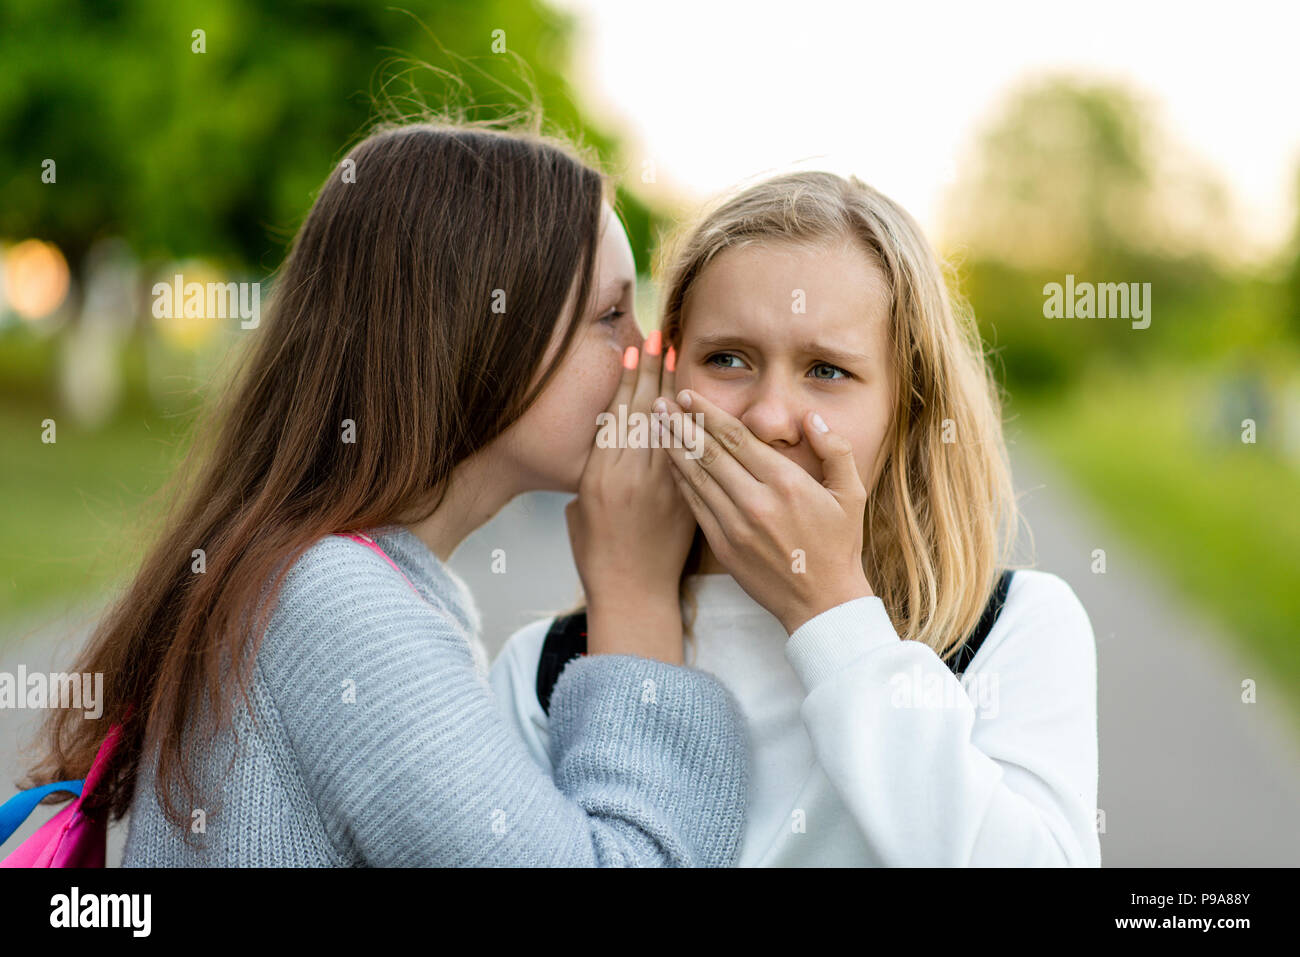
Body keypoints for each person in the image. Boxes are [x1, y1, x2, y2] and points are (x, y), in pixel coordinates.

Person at [19, 120, 749, 867]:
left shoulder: (326, 577)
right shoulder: (337, 605)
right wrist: (634, 589)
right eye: (611, 315)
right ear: (475, 330)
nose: (646, 355)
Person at [491, 171, 1101, 866]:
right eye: (727, 359)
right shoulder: (546, 669)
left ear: (908, 410)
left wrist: (828, 607)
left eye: (827, 370)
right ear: (664, 379)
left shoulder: (1010, 628)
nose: (769, 418)